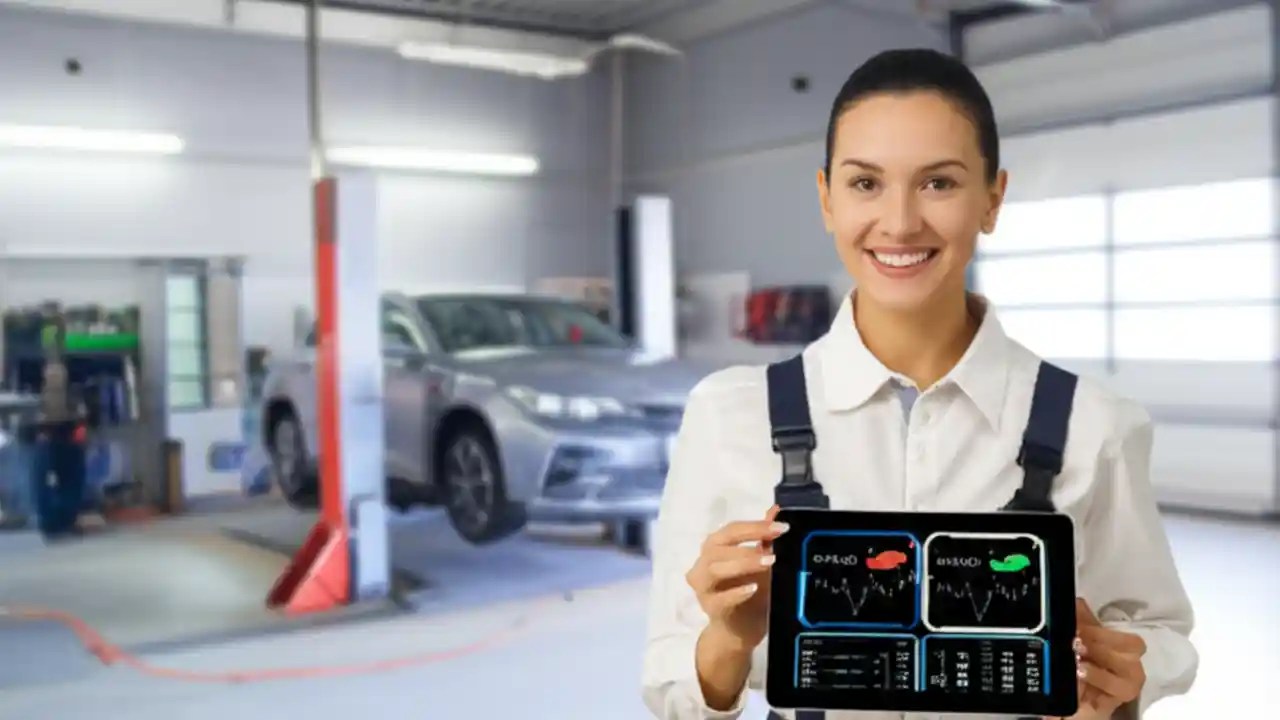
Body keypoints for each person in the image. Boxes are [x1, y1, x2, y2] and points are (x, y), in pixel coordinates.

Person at [640, 48, 1198, 720]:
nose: (900, 222)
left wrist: (1123, 675)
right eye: (865, 183)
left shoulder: (1096, 425)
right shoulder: (728, 415)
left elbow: (1162, 636)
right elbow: (672, 691)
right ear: (826, 198)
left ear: (993, 198)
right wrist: (729, 640)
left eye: (939, 183)